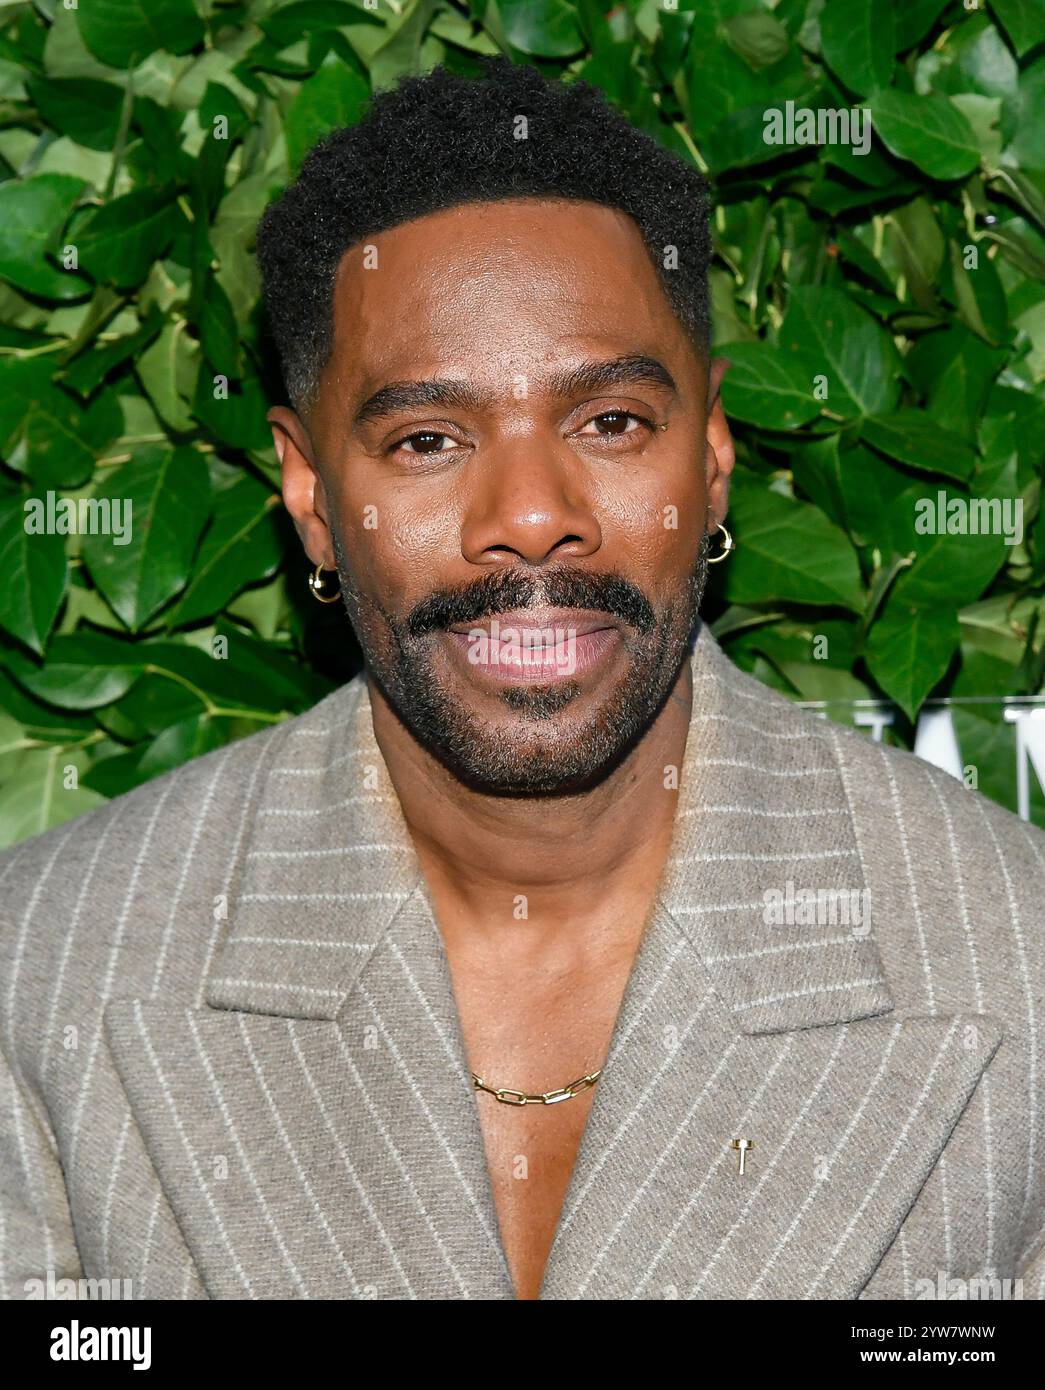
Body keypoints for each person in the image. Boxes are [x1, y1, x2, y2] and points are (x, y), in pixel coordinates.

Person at [1, 57, 1042, 1303]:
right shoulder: (43, 970)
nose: (534, 518)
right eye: (427, 440)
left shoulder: (1012, 954)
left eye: (609, 422)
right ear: (310, 498)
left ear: (710, 456)